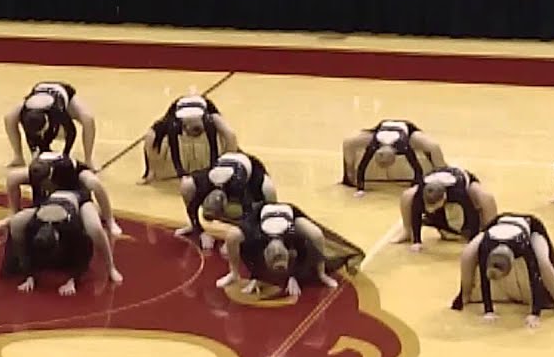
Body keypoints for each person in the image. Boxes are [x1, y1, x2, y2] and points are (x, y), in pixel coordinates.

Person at [452, 213, 554, 329]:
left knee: (543, 261)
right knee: (467, 254)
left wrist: (535, 314)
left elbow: (535, 277)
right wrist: (489, 311)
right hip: (499, 223)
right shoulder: (486, 246)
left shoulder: (523, 246)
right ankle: (465, 294)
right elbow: (484, 276)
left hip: (530, 226)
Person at [215, 202, 364, 298]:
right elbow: (251, 258)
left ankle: (321, 273)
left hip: (288, 213)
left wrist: (294, 276)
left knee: (316, 235)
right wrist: (256, 277)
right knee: (232, 236)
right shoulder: (255, 236)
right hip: (261, 213)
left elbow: (304, 255)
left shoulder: (294, 235)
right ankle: (233, 273)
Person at [0, 190, 122, 296]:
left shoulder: (71, 226)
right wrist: (29, 276)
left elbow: (86, 251)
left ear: (58, 237)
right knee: (16, 223)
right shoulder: (33, 225)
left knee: (94, 228)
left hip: (79, 198)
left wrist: (73, 280)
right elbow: (24, 248)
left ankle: (111, 267)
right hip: (51, 200)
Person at [4, 152, 120, 237]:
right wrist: (14, 212)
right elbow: (12, 179)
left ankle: (109, 219)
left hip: (76, 191)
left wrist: (109, 220)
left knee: (94, 185)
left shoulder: (66, 170)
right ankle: (14, 212)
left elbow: (95, 185)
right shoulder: (37, 169)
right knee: (13, 178)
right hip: (53, 192)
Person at [177, 152, 277, 250]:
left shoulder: (243, 188)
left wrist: (233, 240)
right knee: (187, 185)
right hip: (226, 166)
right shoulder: (205, 183)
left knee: (268, 193)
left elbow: (249, 214)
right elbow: (192, 206)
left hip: (250, 174)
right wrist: (200, 231)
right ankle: (193, 226)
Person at [139, 94, 239, 183]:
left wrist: (227, 164)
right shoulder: (170, 122)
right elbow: (150, 137)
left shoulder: (213, 118)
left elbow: (231, 136)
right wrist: (152, 170)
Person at [395, 167, 497, 252]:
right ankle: (407, 231)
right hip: (438, 176)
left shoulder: (458, 192)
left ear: (444, 198)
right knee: (407, 195)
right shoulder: (421, 190)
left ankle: (489, 235)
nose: (430, 210)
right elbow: (415, 210)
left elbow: (471, 213)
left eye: (434, 207)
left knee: (486, 198)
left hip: (463, 178)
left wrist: (471, 241)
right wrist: (417, 241)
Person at [4, 82, 97, 169]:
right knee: (9, 118)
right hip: (38, 92)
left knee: (88, 119)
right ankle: (18, 157)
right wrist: (36, 155)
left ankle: (89, 160)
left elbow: (71, 131)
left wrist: (66, 154)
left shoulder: (57, 111)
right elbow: (30, 136)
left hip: (62, 91)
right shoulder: (25, 114)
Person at [341, 119, 446, 195]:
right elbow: (416, 167)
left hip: (407, 130)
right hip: (382, 127)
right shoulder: (374, 146)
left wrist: (360, 187)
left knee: (434, 147)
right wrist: (352, 177)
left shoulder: (403, 146)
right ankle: (348, 178)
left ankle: (444, 172)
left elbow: (416, 167)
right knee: (348, 143)